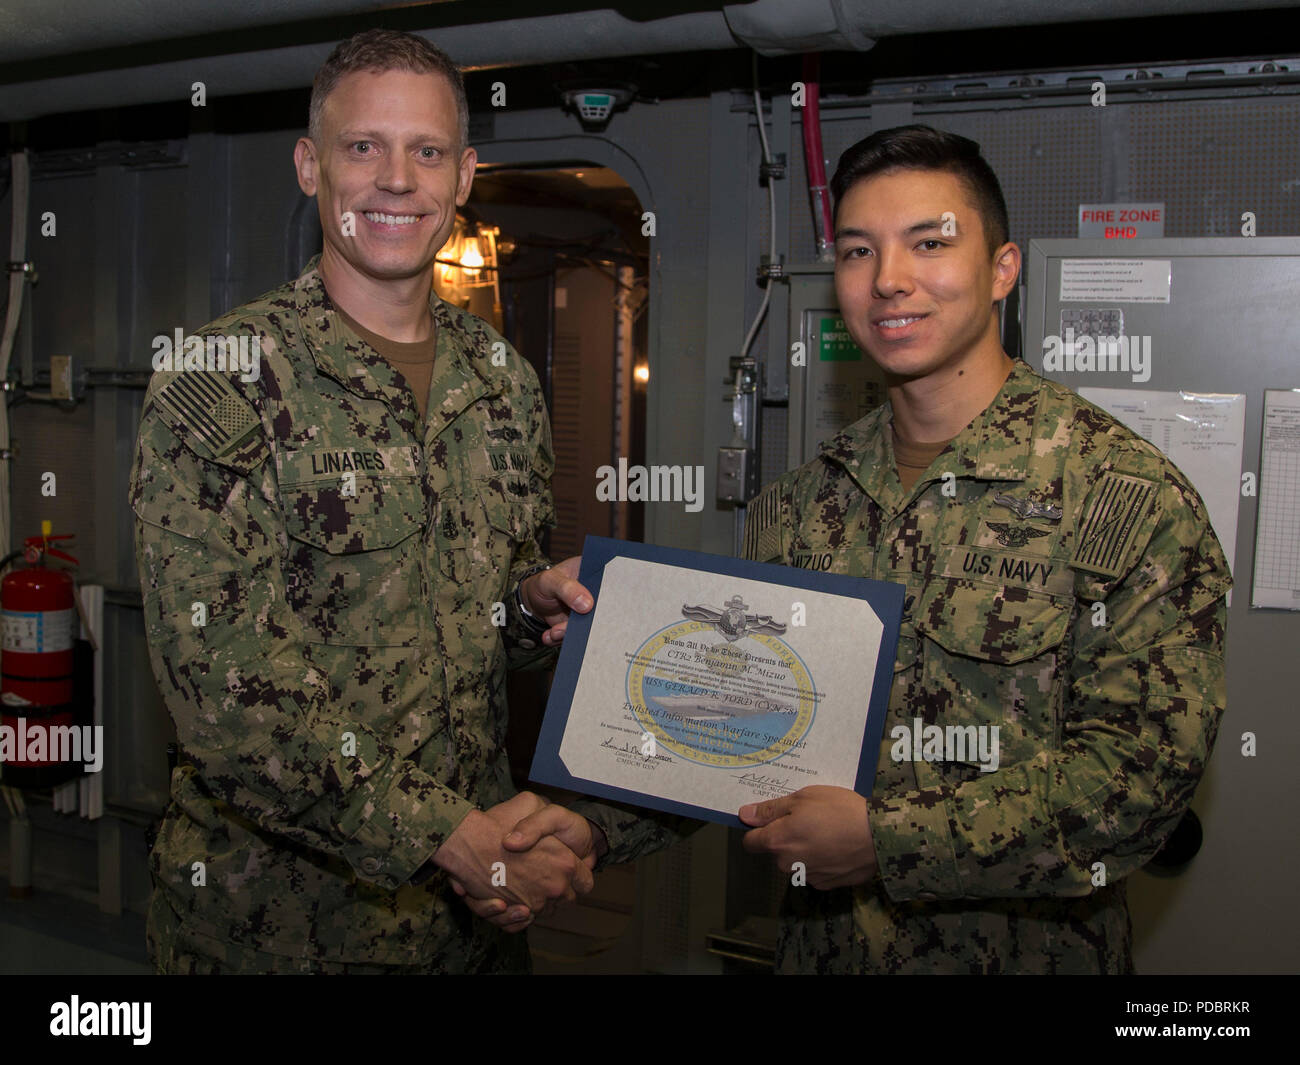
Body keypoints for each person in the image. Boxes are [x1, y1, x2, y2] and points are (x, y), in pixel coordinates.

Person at [130, 28, 675, 974]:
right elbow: (221, 691)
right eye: (362, 147)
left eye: (425, 151)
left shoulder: (503, 380)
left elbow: (464, 624)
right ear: (311, 167)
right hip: (280, 929)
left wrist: (524, 605)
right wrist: (452, 836)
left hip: (469, 929)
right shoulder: (218, 378)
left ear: (462, 176)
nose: (396, 180)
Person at [737, 125, 1231, 974]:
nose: (889, 279)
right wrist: (591, 825)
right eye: (859, 251)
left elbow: (1137, 785)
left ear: (1002, 270)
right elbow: (748, 720)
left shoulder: (1123, 496)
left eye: (929, 242)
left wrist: (886, 840)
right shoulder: (801, 503)